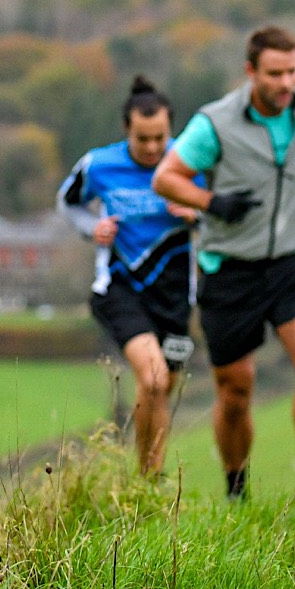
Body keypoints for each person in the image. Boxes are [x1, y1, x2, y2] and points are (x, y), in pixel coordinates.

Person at [152, 25, 295, 501]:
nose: (285, 84)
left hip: (291, 259)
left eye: (292, 72)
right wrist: (211, 202)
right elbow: (166, 178)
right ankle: (237, 492)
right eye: (274, 74)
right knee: (235, 391)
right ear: (250, 71)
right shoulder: (215, 123)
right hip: (229, 267)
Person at [57, 75, 199, 478]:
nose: (153, 148)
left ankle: (150, 478)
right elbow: (67, 204)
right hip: (120, 289)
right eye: (143, 139)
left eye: (159, 138)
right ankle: (146, 477)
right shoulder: (99, 164)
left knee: (161, 387)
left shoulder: (189, 162)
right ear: (126, 130)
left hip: (174, 295)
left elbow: (216, 211)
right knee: (152, 377)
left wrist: (194, 215)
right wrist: (92, 228)